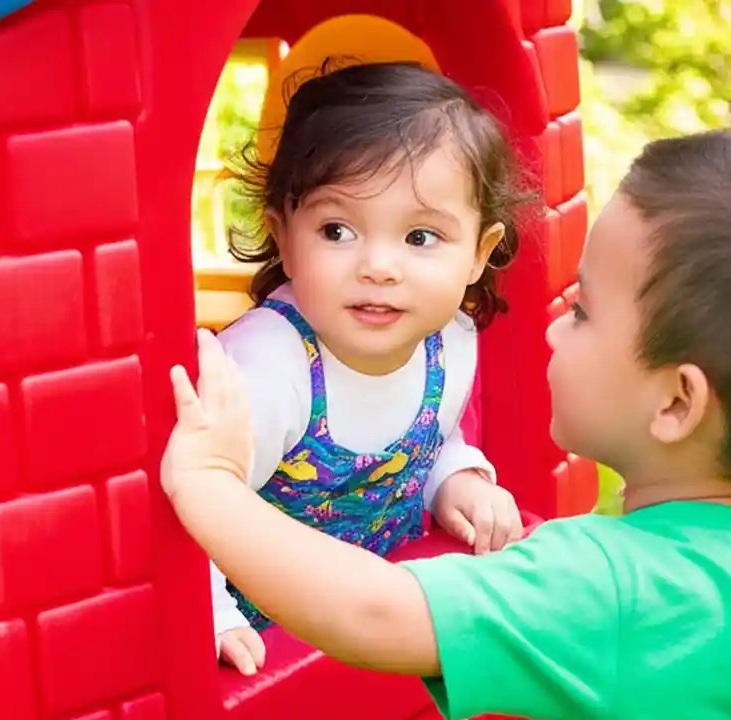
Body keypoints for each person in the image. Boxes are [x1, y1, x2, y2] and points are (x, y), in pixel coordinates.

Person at [165, 130, 731, 718]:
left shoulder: (600, 584)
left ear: (677, 403)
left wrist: (208, 485)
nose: (552, 328)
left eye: (582, 311)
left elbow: (373, 613)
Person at [208, 61, 534, 675]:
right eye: (338, 230)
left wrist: (456, 479)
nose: (379, 266)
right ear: (284, 235)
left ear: (478, 253)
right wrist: (210, 613)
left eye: (420, 237)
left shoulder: (450, 340)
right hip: (269, 646)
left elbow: (430, 439)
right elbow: (198, 496)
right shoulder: (268, 368)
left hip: (376, 627)